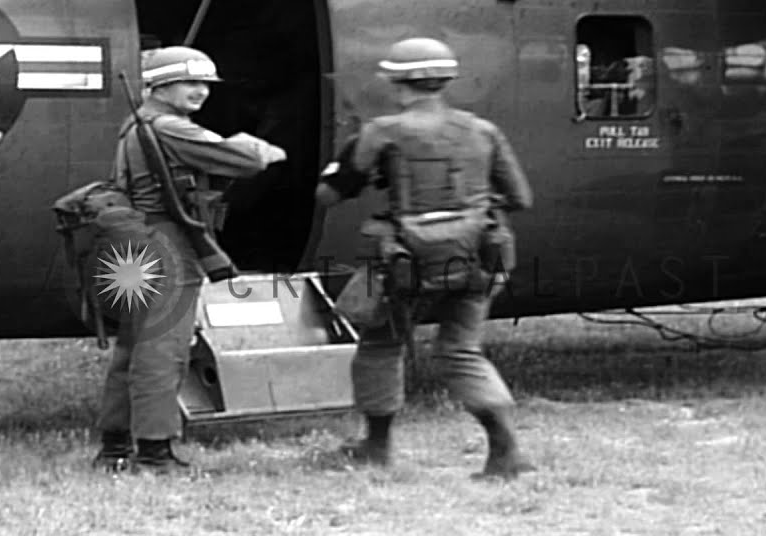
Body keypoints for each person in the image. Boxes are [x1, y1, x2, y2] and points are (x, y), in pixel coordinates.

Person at [315, 37, 535, 479]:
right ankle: (507, 452)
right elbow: (520, 198)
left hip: (403, 262)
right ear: (446, 80)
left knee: (381, 345)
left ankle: (376, 448)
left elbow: (328, 195)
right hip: (477, 257)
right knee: (462, 351)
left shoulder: (380, 132)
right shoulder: (483, 131)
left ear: (396, 82)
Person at [94, 45, 286, 474]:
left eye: (205, 84)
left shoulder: (136, 124)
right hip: (166, 245)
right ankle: (154, 452)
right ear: (161, 87)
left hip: (134, 244)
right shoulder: (171, 127)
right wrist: (263, 147)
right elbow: (248, 160)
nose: (201, 91)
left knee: (132, 347)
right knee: (164, 350)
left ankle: (114, 447)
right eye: (189, 83)